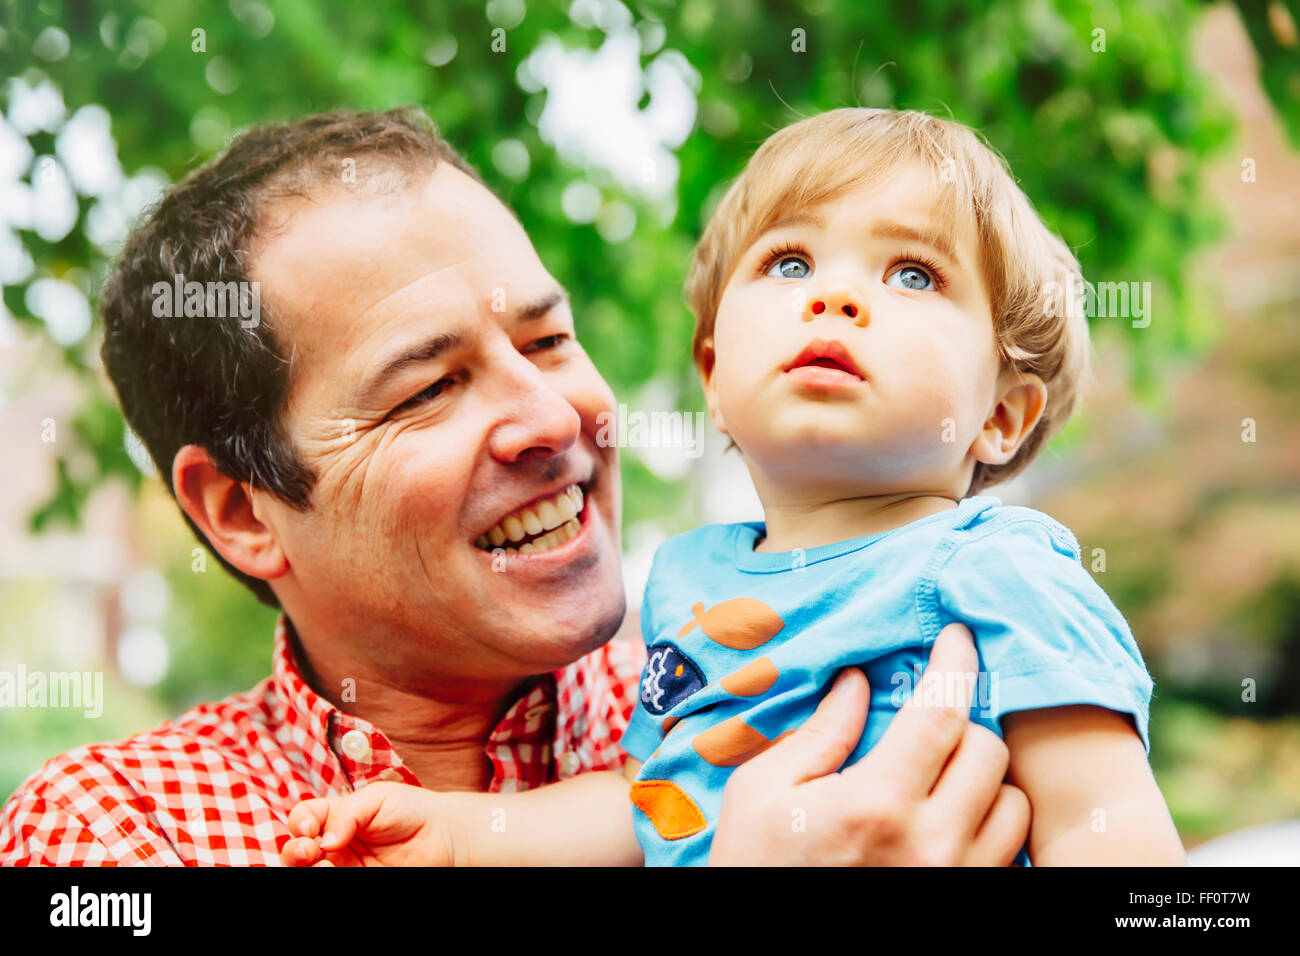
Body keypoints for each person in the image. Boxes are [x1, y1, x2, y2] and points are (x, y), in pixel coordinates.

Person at [0, 108, 1028, 866]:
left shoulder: (810, 676)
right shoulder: (116, 832)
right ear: (240, 510)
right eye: (430, 387)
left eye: (549, 339)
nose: (550, 417)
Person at [279, 109, 1186, 867]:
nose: (834, 297)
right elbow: (656, 799)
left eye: (913, 273)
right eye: (789, 264)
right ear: (713, 374)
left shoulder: (999, 572)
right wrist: (468, 838)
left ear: (1002, 414)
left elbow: (1108, 825)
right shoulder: (692, 579)